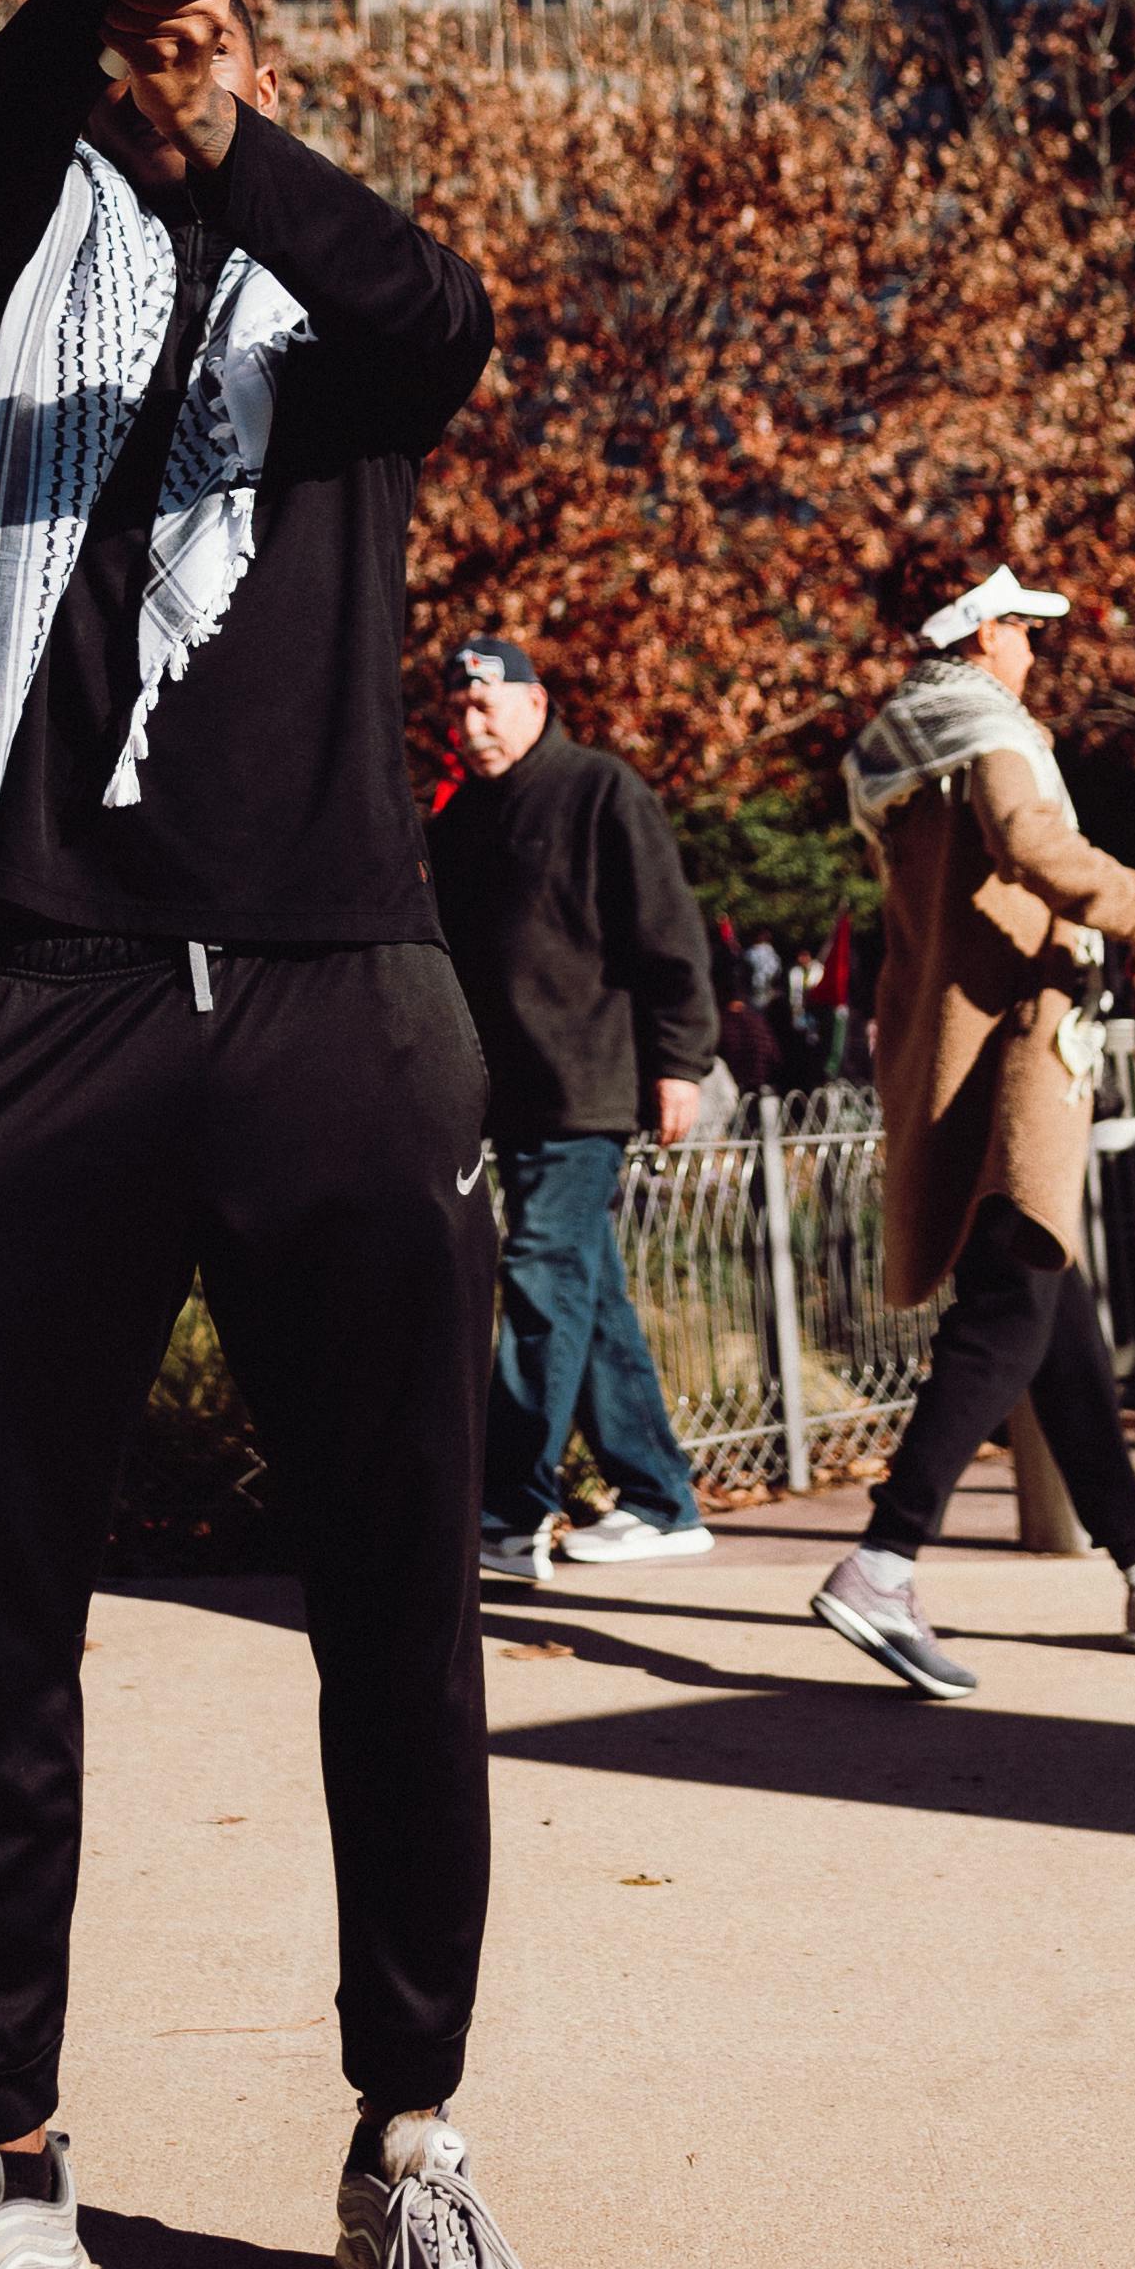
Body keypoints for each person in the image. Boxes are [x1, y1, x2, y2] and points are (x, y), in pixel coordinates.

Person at [0, 0, 549, 2269]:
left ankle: (408, 2141)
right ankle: (0, 2177)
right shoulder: (12, 290)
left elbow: (439, 316)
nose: (165, 105)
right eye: (149, 74)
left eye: (206, 70)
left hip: (342, 1004)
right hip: (39, 1009)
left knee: (398, 1614)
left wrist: (229, 130)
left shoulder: (329, 324)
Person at [810, 558, 1135, 1700]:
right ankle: (882, 1563)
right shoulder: (986, 731)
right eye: (1024, 630)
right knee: (1007, 1309)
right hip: (1018, 1057)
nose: (1034, 650)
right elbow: (1031, 847)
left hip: (951, 1050)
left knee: (1054, 1322)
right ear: (985, 632)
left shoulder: (905, 746)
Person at [427, 634, 724, 1578]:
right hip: (512, 1097)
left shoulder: (600, 790)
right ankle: (661, 1501)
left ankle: (511, 1513)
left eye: (487, 705)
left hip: (587, 1086)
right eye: (458, 710)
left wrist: (680, 1062)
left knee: (542, 1282)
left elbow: (668, 935)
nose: (471, 724)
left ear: (535, 703)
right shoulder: (461, 818)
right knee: (585, 1300)